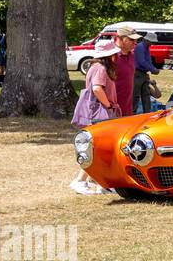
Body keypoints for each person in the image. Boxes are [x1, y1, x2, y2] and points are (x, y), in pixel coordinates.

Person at [69, 40, 122, 194]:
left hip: (99, 112)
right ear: (109, 55)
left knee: (98, 148)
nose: (116, 56)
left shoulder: (96, 67)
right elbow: (97, 88)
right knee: (97, 148)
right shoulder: (100, 68)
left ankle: (101, 183)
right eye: (114, 53)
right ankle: (80, 181)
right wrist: (108, 105)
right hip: (100, 113)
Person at [111, 25, 142, 116]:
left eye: (136, 40)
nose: (135, 43)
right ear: (119, 38)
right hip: (111, 109)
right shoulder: (110, 56)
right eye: (131, 40)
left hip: (127, 107)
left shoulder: (132, 55)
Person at [132, 33, 161, 114]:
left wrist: (152, 69)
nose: (153, 44)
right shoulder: (140, 47)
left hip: (143, 73)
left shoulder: (146, 47)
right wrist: (153, 69)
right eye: (151, 42)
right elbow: (142, 61)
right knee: (136, 95)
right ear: (146, 40)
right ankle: (132, 113)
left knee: (146, 94)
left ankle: (147, 113)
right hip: (138, 73)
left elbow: (148, 61)